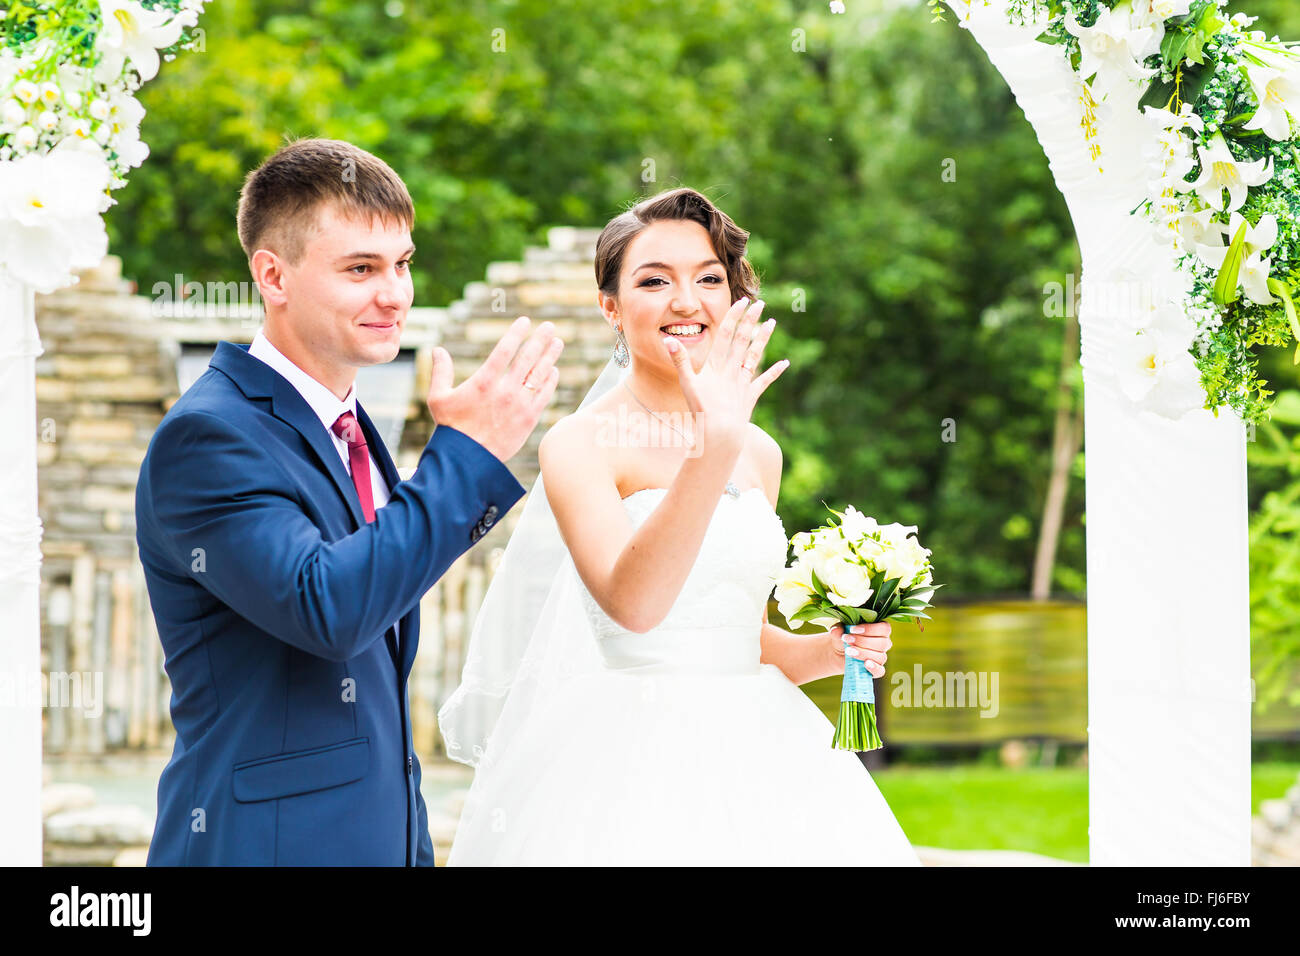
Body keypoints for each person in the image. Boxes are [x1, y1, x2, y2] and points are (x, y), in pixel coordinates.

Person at [440, 187, 922, 865]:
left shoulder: (760, 453)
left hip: (765, 748)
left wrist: (831, 651)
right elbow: (635, 606)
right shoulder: (580, 445)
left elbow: (734, 630)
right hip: (626, 755)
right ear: (611, 306)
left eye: (708, 279)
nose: (687, 301)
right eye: (654, 281)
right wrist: (710, 449)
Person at [136, 138, 563, 865]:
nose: (394, 293)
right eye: (361, 268)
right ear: (273, 275)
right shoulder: (207, 437)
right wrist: (466, 456)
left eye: (402, 263)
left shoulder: (353, 427)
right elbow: (329, 610)